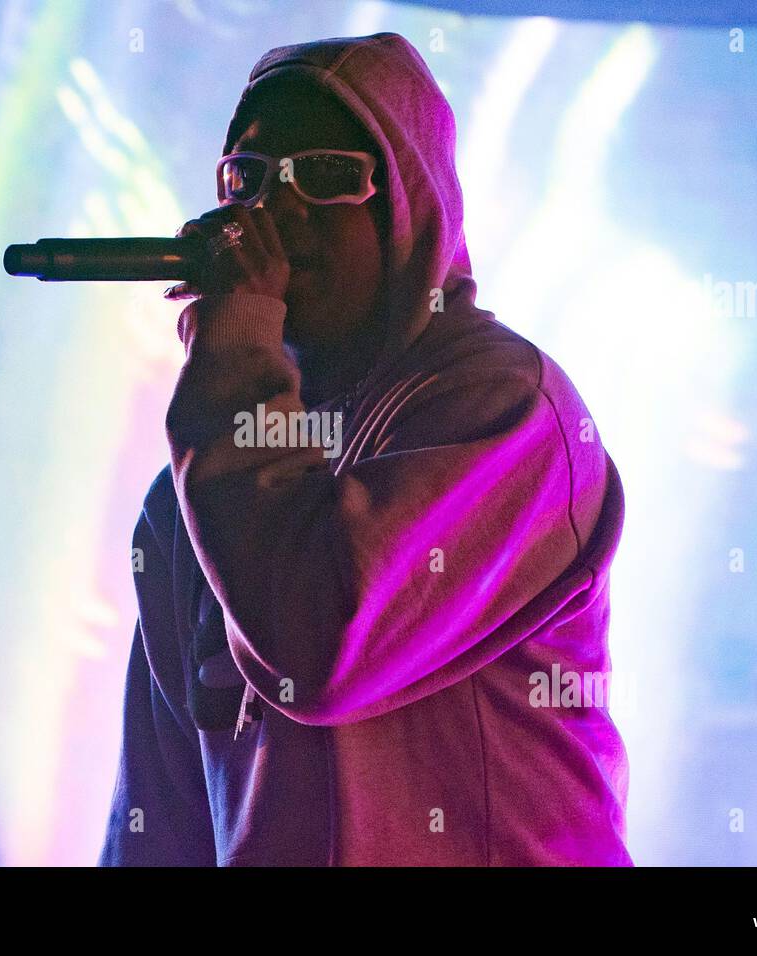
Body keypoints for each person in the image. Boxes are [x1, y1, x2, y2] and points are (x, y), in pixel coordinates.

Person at [98, 31, 631, 866]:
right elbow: (160, 809)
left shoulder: (504, 410)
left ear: (412, 205)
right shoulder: (193, 495)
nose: (278, 210)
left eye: (328, 176)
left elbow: (321, 642)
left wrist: (234, 346)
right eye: (250, 179)